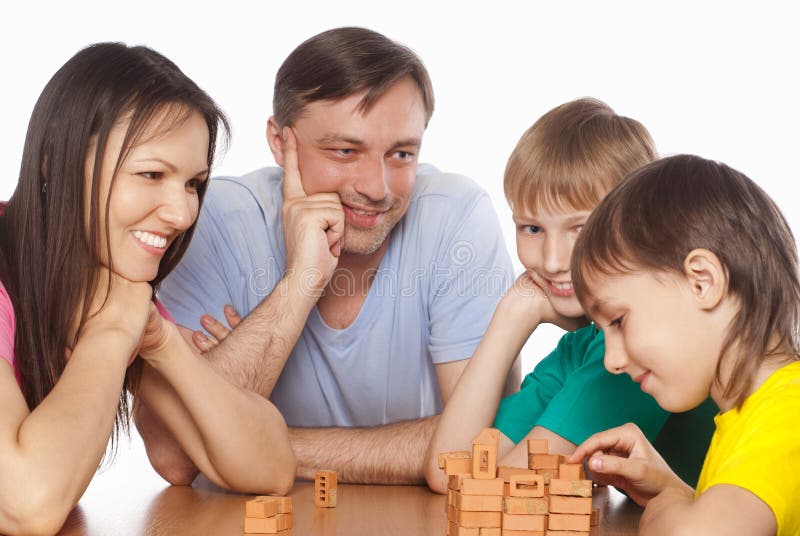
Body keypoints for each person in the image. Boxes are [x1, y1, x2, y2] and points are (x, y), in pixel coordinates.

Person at [151, 26, 515, 485]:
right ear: (280, 143)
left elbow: (485, 447)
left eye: (401, 154)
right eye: (345, 150)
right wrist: (299, 283)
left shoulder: (458, 218)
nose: (376, 188)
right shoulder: (217, 219)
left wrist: (261, 446)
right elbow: (176, 456)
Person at [0, 43, 295, 535]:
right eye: (151, 174)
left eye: (193, 184)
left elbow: (268, 469)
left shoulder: (110, 284)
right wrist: (115, 328)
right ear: (55, 155)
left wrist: (161, 343)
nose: (181, 215)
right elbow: (27, 503)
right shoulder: (111, 304)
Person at [424, 99, 717, 493]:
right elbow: (448, 472)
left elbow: (507, 490)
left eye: (579, 228)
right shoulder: (580, 350)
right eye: (531, 228)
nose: (552, 260)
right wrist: (513, 315)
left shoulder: (631, 354)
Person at [568, 154, 800, 535]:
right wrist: (670, 487)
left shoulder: (789, 413)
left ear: (702, 282)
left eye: (618, 321)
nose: (611, 360)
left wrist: (670, 504)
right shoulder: (751, 417)